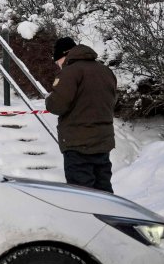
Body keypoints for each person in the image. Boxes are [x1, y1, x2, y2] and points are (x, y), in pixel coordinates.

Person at [45, 37, 118, 193]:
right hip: (103, 141)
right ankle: (107, 217)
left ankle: (87, 218)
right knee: (104, 192)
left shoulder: (70, 72)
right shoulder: (106, 71)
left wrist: (49, 100)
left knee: (82, 195)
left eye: (57, 61)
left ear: (63, 56)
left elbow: (57, 105)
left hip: (78, 143)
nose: (59, 65)